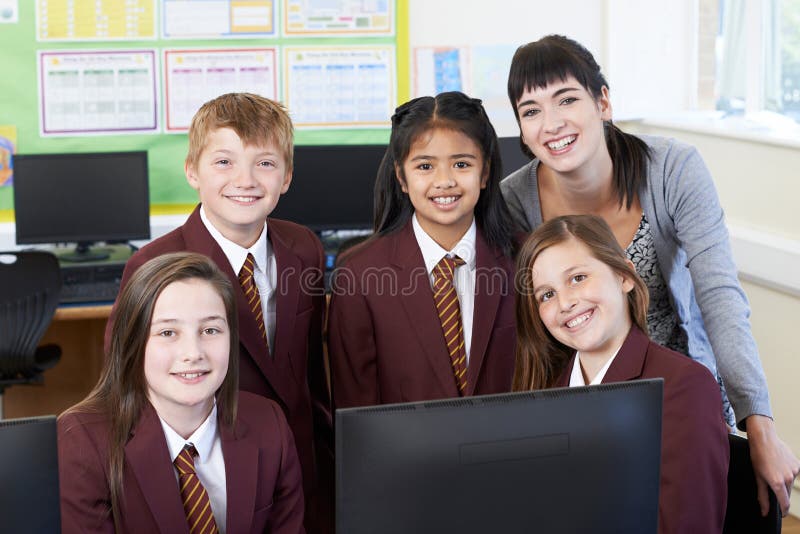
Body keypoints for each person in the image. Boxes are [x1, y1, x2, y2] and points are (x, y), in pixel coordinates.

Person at [501, 34, 799, 515]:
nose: (551, 123)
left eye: (567, 99)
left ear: (603, 102)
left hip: (682, 392)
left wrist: (758, 423)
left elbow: (720, 296)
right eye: (531, 110)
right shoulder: (513, 200)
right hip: (587, 401)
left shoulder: (672, 169)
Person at [104, 93, 332, 532]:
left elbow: (310, 372)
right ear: (193, 171)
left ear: (286, 177)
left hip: (298, 466)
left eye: (265, 163)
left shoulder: (303, 247)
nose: (245, 180)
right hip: (215, 472)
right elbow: (125, 387)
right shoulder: (154, 262)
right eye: (224, 162)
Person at [59, 252, 305, 533]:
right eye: (167, 333)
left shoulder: (269, 424)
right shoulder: (82, 441)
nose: (193, 353)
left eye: (211, 330)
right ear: (133, 341)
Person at [514, 214, 728, 533]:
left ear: (624, 276)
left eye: (578, 278)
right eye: (547, 294)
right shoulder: (543, 389)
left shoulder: (685, 386)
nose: (566, 303)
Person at [327, 91, 517, 408]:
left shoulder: (526, 259)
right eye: (425, 166)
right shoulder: (359, 275)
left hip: (511, 451)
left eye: (461, 164)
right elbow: (354, 406)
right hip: (406, 456)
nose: (444, 181)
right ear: (401, 177)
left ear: (484, 173)